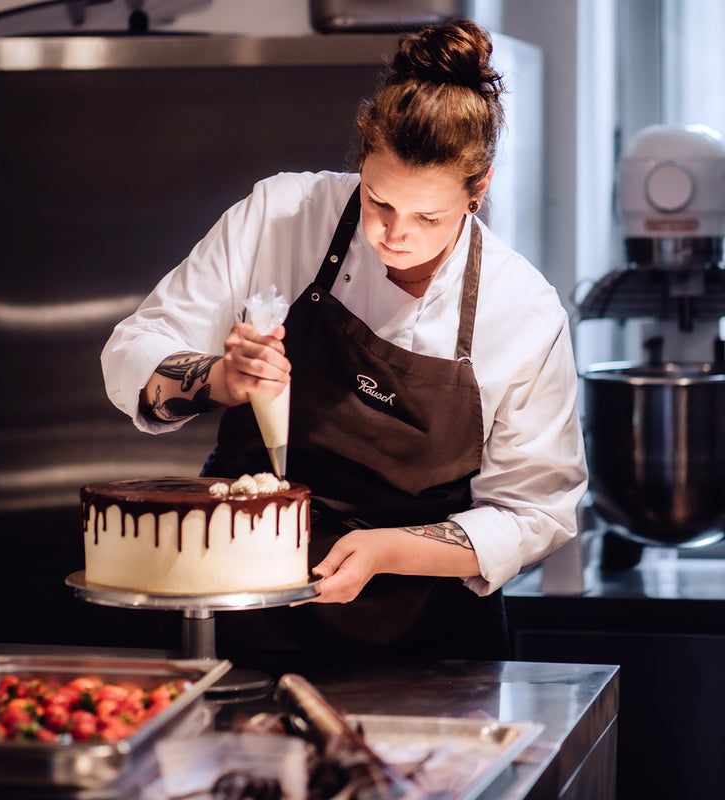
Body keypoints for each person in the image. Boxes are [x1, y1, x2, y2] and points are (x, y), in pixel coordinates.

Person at [101, 19, 587, 661]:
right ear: (360, 163)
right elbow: (135, 349)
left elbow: (534, 509)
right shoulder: (281, 215)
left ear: (479, 191)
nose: (393, 235)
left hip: (426, 638)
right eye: (378, 202)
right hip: (242, 604)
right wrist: (219, 378)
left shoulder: (520, 308)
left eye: (427, 217)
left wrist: (389, 549)